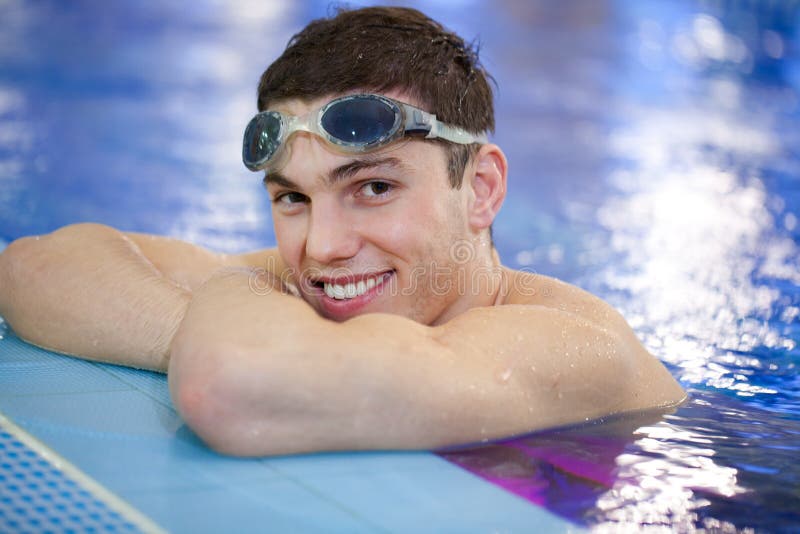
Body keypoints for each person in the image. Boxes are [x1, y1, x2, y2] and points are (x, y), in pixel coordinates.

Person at [0, 6, 684, 456]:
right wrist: (219, 324)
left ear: (481, 189)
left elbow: (227, 382)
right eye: (293, 198)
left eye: (373, 188)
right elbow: (37, 264)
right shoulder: (325, 279)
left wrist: (249, 321)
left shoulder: (574, 348)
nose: (322, 248)